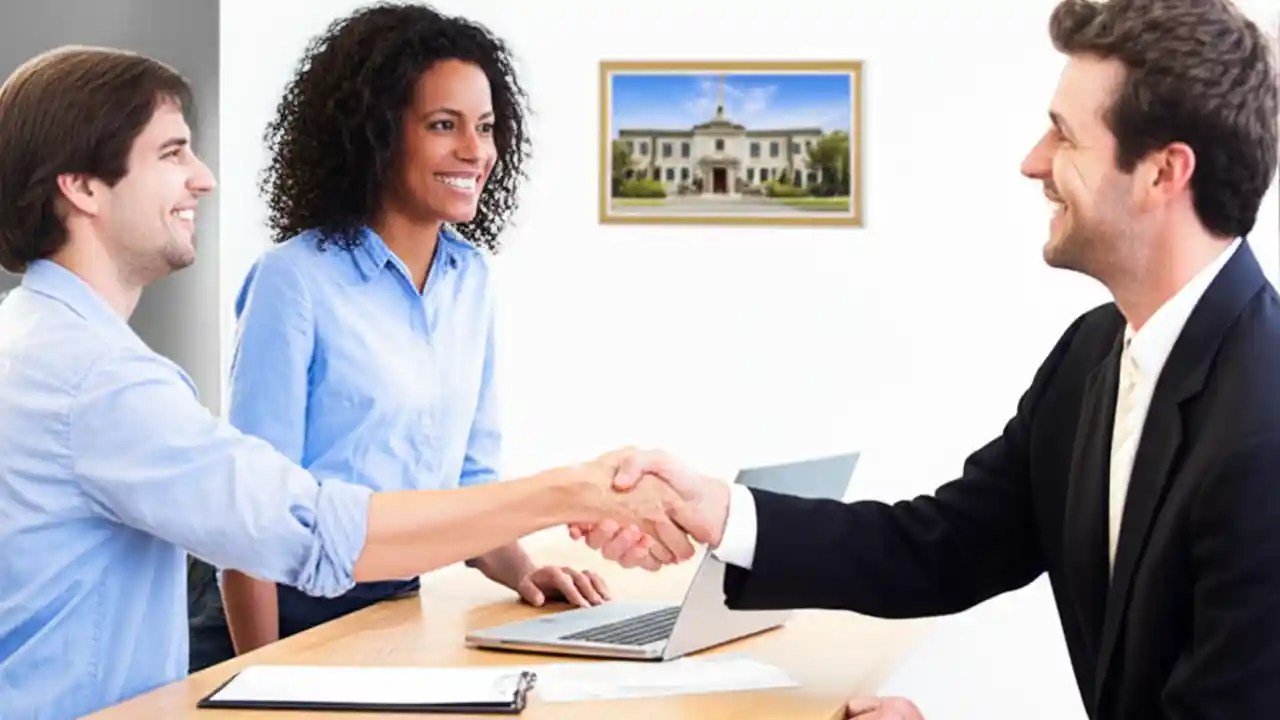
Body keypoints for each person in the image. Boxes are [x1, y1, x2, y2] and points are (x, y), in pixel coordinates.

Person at [578, 0, 1280, 718]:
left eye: (1065, 138)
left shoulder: (1264, 424)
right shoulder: (1094, 352)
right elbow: (945, 547)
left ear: (1164, 173)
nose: (1032, 161)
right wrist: (720, 510)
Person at [0, 46, 691, 720]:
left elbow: (445, 481)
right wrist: (572, 490)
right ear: (83, 185)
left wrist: (520, 557)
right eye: (172, 153)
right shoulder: (100, 378)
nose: (204, 177)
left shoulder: (48, 343)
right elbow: (297, 530)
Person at [189, 3, 640, 669]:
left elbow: (466, 487)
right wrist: (262, 679)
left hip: (390, 610)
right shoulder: (295, 280)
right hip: (278, 620)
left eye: (485, 128)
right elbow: (247, 521)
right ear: (377, 134)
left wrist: (523, 571)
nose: (475, 151)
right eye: (443, 125)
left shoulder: (470, 278)